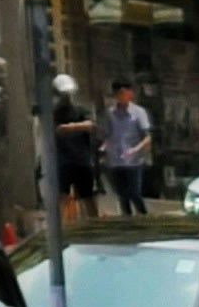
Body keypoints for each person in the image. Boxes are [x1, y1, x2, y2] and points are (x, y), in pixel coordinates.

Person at [98, 80, 153, 221]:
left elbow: (147, 137)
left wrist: (136, 149)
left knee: (135, 193)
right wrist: (104, 147)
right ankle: (127, 223)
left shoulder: (139, 112)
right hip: (115, 160)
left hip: (133, 161)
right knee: (123, 196)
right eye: (119, 93)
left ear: (130, 94)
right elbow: (105, 134)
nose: (122, 96)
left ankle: (144, 218)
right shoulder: (110, 113)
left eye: (125, 93)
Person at [52, 77, 99, 212]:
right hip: (62, 161)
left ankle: (94, 226)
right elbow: (54, 130)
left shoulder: (81, 110)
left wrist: (71, 127)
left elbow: (90, 124)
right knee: (62, 196)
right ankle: (62, 226)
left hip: (81, 160)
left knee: (88, 196)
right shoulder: (54, 112)